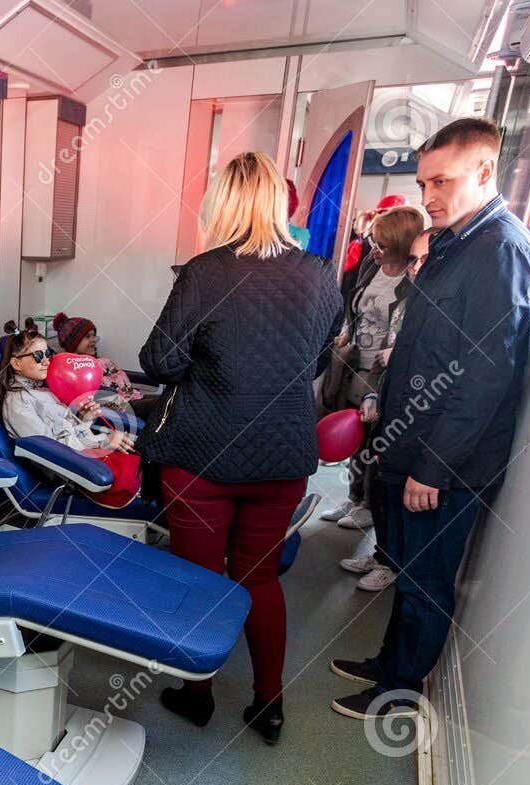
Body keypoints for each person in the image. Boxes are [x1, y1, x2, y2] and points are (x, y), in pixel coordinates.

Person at [331, 118, 530, 724]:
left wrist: (434, 467)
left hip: (444, 462)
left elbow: (486, 376)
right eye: (423, 182)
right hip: (413, 442)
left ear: (484, 172)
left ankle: (398, 690)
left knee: (425, 580)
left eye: (442, 181)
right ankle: (388, 663)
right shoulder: (455, 242)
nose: (429, 197)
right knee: (408, 568)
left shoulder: (500, 250)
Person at [138, 150, 342, 745]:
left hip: (204, 454)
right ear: (279, 203)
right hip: (282, 458)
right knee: (258, 578)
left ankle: (196, 695)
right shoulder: (319, 272)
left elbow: (159, 361)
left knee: (202, 579)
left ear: (220, 204)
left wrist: (210, 357)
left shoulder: (205, 271)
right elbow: (320, 361)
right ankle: (269, 704)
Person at [318, 205, 426, 543]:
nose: (374, 250)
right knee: (353, 432)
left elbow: (412, 329)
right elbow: (358, 306)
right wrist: (348, 333)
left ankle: (366, 504)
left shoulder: (414, 281)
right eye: (374, 243)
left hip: (381, 368)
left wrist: (394, 352)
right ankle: (353, 498)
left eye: (382, 246)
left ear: (400, 245)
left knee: (372, 437)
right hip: (355, 358)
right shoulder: (371, 266)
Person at [339, 226, 429, 593]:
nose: (416, 267)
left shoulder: (431, 302)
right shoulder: (406, 294)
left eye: (424, 260)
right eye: (413, 259)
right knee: (378, 477)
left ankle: (389, 562)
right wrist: (375, 394)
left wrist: (399, 354)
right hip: (387, 392)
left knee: (392, 490)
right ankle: (382, 554)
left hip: (414, 409)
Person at [0, 328, 141, 508]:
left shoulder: (43, 390)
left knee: (152, 458)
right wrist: (103, 441)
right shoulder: (18, 403)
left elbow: (67, 433)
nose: (46, 361)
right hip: (73, 472)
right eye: (37, 356)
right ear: (16, 363)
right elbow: (52, 449)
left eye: (48, 353)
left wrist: (85, 419)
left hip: (82, 455)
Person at [52, 312, 143, 412]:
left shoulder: (103, 361)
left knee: (162, 400)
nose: (93, 340)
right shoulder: (74, 371)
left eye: (93, 335)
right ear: (73, 343)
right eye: (87, 337)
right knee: (162, 407)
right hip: (122, 408)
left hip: (134, 397)